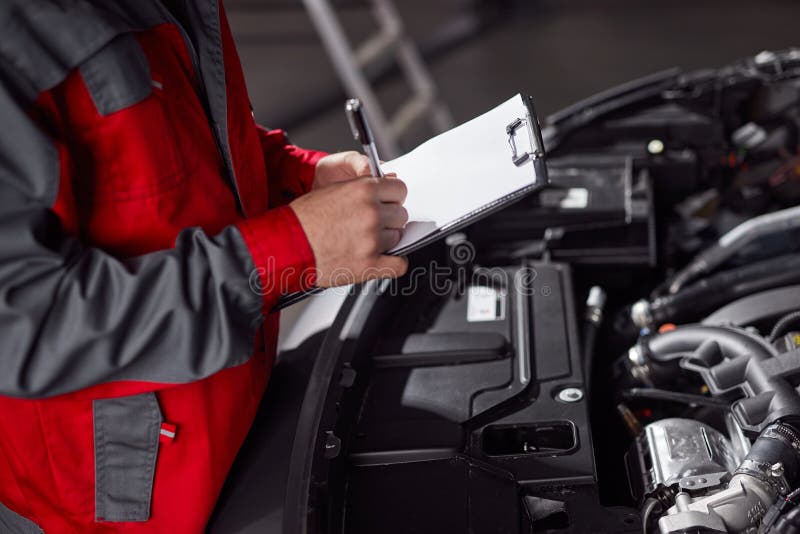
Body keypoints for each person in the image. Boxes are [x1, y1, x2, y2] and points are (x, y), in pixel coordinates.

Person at [0, 0, 408, 531]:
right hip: (128, 499)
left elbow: (174, 144)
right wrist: (294, 245)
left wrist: (301, 179)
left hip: (242, 412)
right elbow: (26, 325)